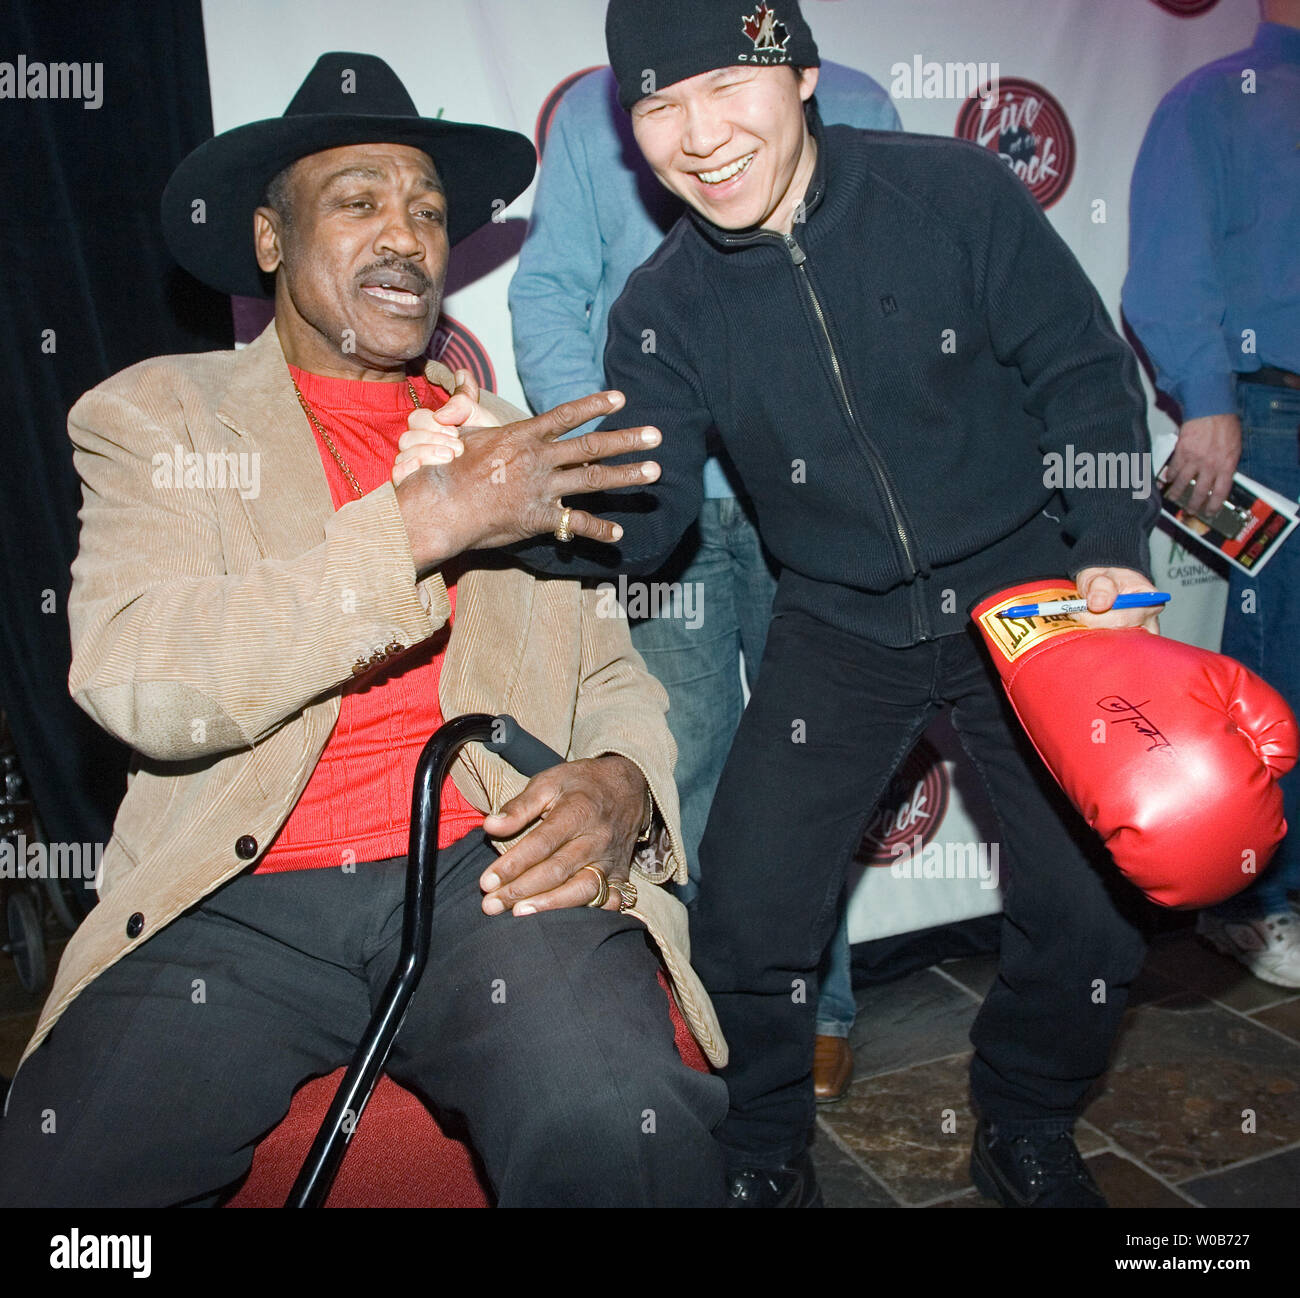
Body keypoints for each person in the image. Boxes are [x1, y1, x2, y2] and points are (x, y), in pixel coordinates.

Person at [0, 52, 728, 1209]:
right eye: (358, 203)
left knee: (613, 1119)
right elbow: (144, 682)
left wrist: (624, 784)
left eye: (428, 211)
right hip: (240, 896)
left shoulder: (510, 442)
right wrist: (419, 526)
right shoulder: (159, 417)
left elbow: (612, 678)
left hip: (482, 868)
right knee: (62, 1182)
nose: (407, 237)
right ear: (268, 240)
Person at [486, 0, 1162, 1207]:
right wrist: (503, 520)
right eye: (657, 105)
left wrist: (1108, 549)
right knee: (744, 916)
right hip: (838, 621)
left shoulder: (950, 194)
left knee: (1092, 914)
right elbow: (646, 524)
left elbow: (1084, 378)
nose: (696, 135)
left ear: (797, 72)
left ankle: (1024, 1122)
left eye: (723, 86)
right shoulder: (660, 307)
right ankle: (758, 1157)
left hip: (1021, 596)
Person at [508, 58, 901, 1106]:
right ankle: (692, 1007)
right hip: (658, 517)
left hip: (817, 508)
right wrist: (616, 449)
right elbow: (548, 286)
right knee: (673, 769)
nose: (695, 129)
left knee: (811, 773)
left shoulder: (857, 102)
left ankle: (815, 1006)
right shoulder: (612, 111)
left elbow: (881, 302)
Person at [1124, 0, 1300, 987]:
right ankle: (1252, 902)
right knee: (1272, 673)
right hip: (1269, 417)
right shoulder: (1211, 104)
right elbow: (1164, 272)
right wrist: (1206, 399)